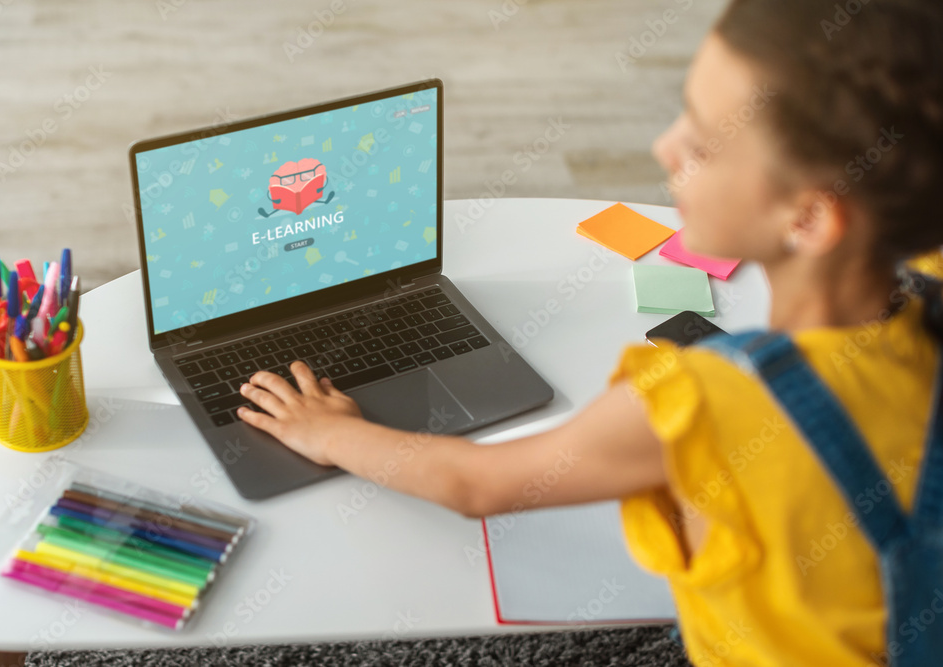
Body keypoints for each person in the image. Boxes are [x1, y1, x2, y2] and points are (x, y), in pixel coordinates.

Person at [233, 0, 943, 663]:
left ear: (811, 218)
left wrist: (330, 432)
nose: (665, 148)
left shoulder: (705, 400)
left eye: (705, 145)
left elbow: (475, 483)